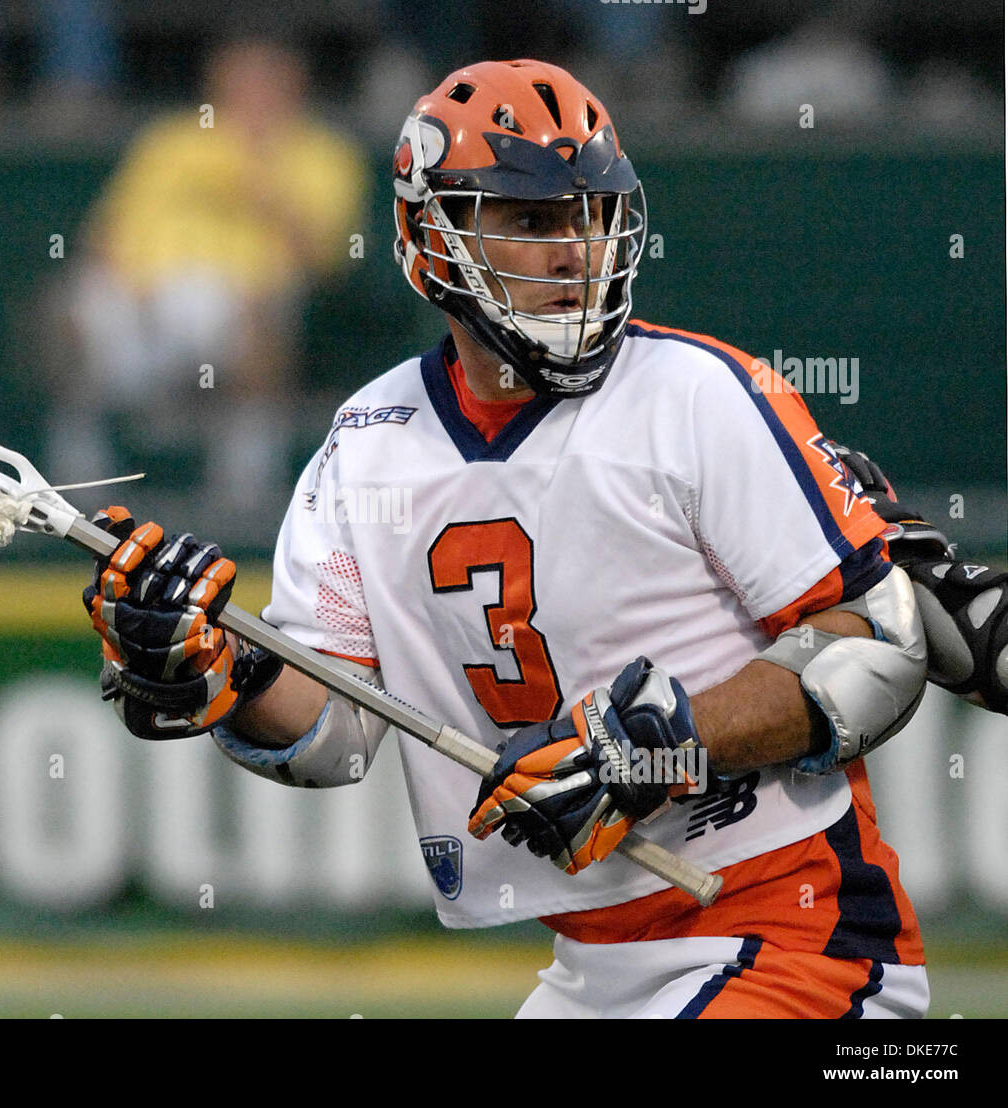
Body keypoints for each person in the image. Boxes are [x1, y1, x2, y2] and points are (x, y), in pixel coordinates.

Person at [80, 59, 1007, 1018]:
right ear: (430, 234)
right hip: (589, 967)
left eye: (588, 216)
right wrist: (219, 671)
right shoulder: (368, 440)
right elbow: (334, 729)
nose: (574, 250)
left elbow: (875, 648)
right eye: (530, 220)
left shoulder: (693, 396)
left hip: (789, 940)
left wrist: (666, 744)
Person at [47, 37, 365, 502]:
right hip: (141, 301)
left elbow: (326, 259)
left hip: (243, 307)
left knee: (257, 323)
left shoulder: (323, 153)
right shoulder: (171, 140)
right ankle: (76, 484)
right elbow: (103, 234)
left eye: (266, 83)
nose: (253, 94)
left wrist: (263, 181)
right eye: (240, 82)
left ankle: (242, 497)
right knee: (68, 313)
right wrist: (123, 283)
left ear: (294, 87)